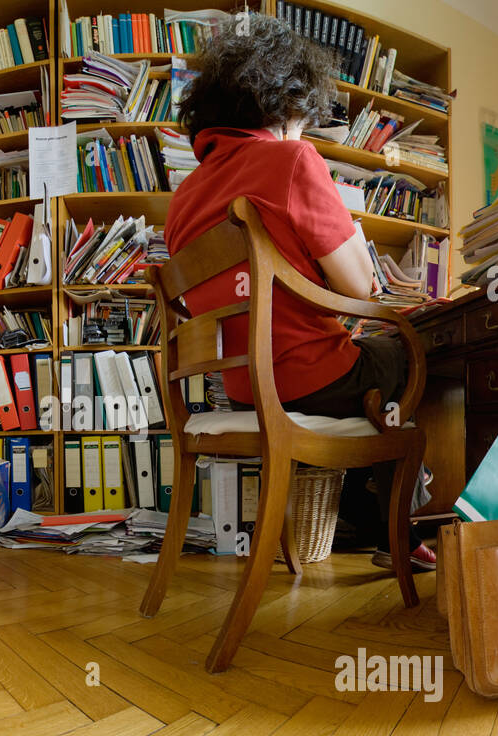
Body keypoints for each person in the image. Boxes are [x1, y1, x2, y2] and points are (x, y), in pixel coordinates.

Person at [165, 12, 436, 572]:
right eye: (302, 118)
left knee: (379, 377)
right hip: (312, 379)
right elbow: (361, 286)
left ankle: (374, 519)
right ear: (285, 103)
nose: (304, 129)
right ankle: (399, 529)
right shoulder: (289, 159)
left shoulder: (183, 200)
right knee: (411, 355)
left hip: (243, 389)